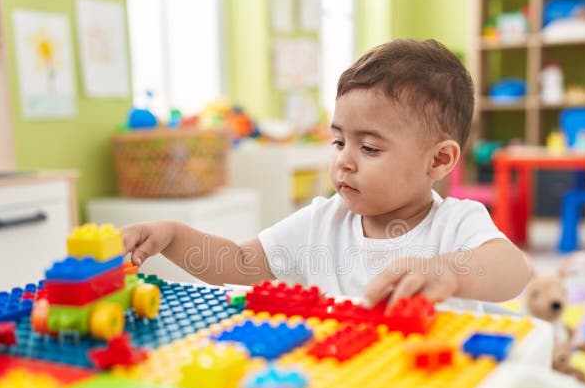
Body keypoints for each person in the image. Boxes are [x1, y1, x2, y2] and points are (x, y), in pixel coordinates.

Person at [123, 39, 529, 312]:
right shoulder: (323, 222)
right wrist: (175, 236)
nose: (344, 161)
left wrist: (450, 272)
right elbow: (241, 261)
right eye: (338, 142)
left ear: (439, 161)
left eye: (369, 148)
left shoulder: (455, 224)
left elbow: (512, 271)